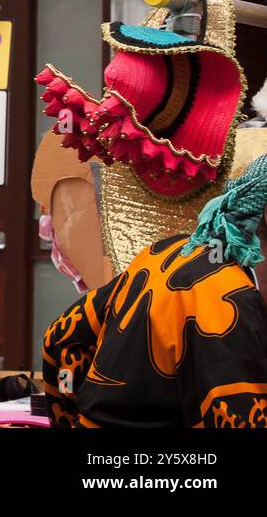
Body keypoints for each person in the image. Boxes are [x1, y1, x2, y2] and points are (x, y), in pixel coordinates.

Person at [42, 155, 267, 427]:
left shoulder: (168, 251)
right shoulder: (231, 301)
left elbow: (62, 338)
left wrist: (68, 417)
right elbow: (239, 417)